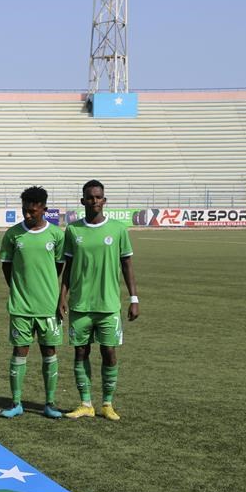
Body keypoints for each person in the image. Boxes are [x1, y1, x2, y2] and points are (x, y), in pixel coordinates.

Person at [59, 179, 139, 421]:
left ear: (104, 200)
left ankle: (107, 403)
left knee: (109, 352)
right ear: (82, 201)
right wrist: (62, 297)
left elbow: (127, 264)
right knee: (80, 352)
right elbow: (68, 267)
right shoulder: (73, 230)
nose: (94, 201)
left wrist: (134, 298)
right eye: (90, 197)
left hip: (108, 305)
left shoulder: (118, 230)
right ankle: (86, 404)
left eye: (98, 197)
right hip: (80, 305)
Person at [0, 186, 66, 419]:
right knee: (19, 351)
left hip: (48, 306)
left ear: (44, 209)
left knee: (49, 351)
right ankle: (16, 402)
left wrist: (51, 292)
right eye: (25, 210)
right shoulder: (13, 234)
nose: (27, 215)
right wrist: (18, 289)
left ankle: (50, 403)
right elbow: (6, 266)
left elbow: (59, 266)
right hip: (21, 306)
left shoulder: (56, 235)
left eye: (32, 211)